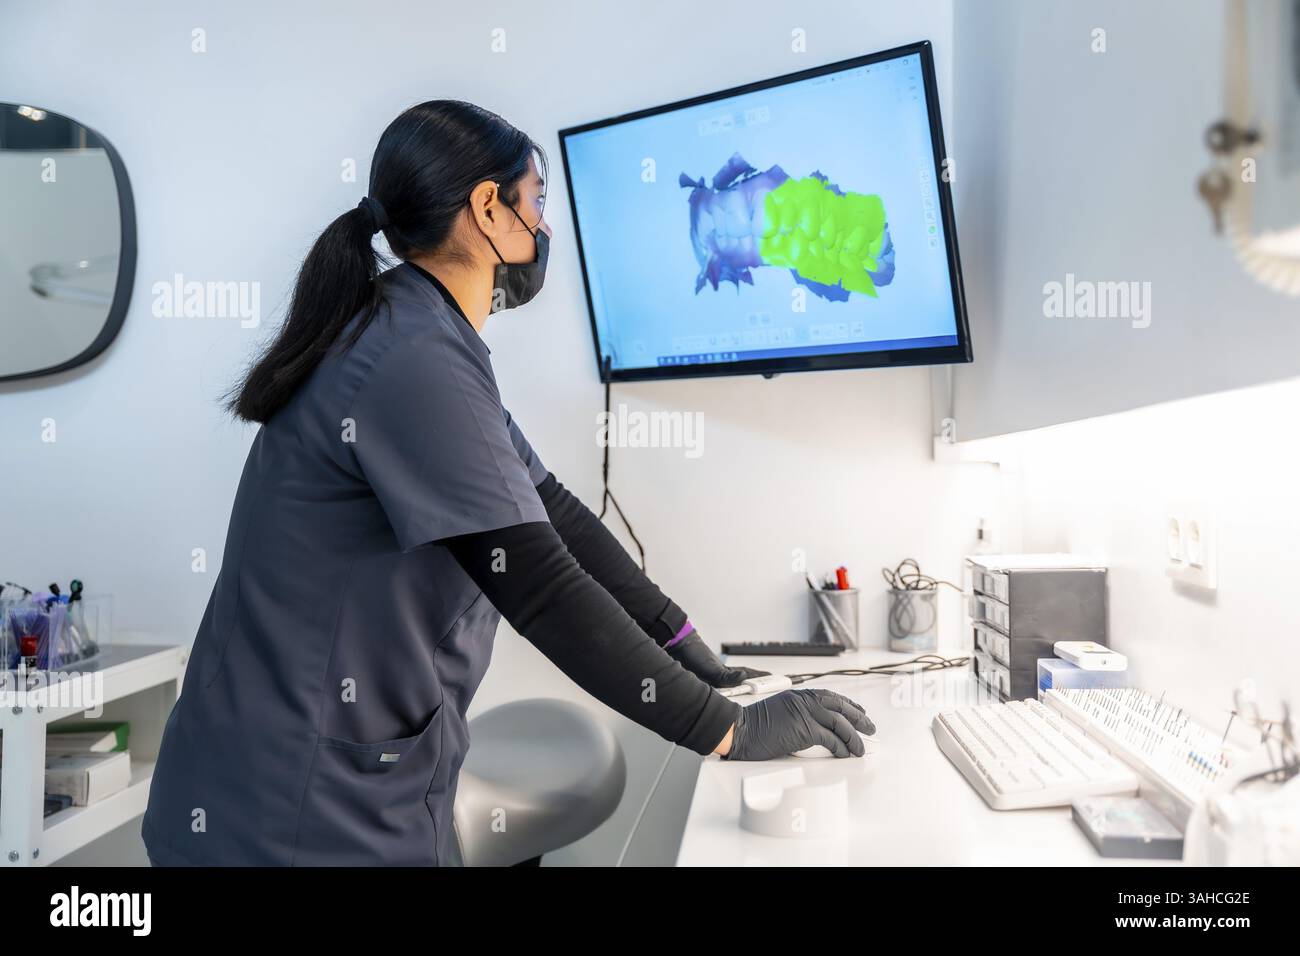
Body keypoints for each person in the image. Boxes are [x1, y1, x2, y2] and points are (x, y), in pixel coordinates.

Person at [141, 100, 873, 866]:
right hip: (288, 812)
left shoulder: (418, 335)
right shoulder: (410, 357)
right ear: (488, 209)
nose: (545, 230)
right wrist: (729, 730)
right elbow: (543, 588)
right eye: (538, 202)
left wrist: (688, 646)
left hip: (301, 775)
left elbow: (555, 516)